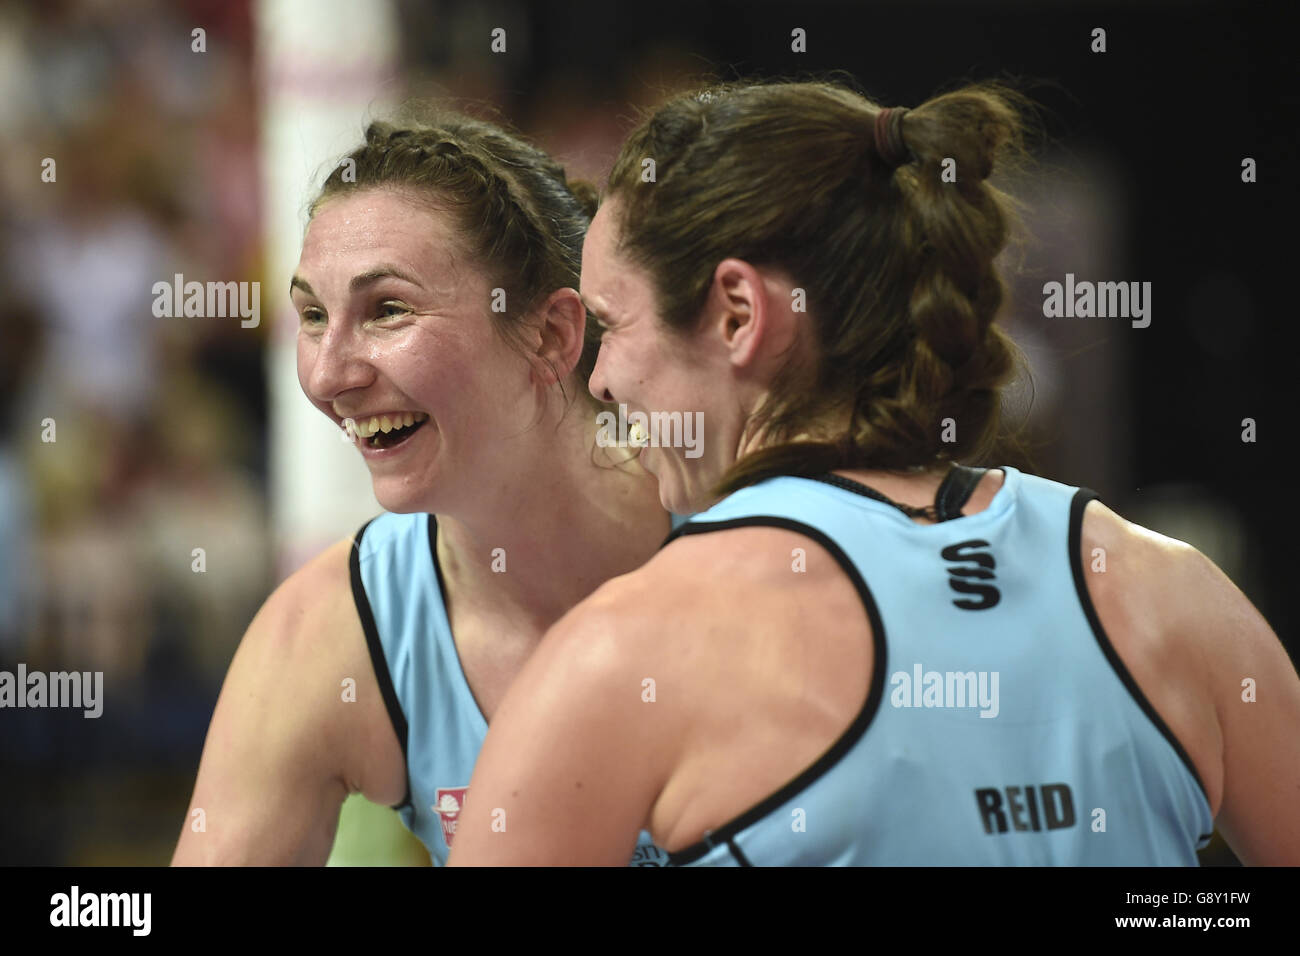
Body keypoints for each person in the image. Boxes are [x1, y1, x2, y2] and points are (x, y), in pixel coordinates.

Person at [447, 80, 1300, 866]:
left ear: (739, 315)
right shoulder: (1173, 594)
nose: (597, 379)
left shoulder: (624, 650)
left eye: (609, 323)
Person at [172, 112, 673, 866]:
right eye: (313, 315)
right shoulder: (333, 632)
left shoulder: (756, 530)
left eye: (388, 310)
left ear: (551, 336)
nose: (329, 376)